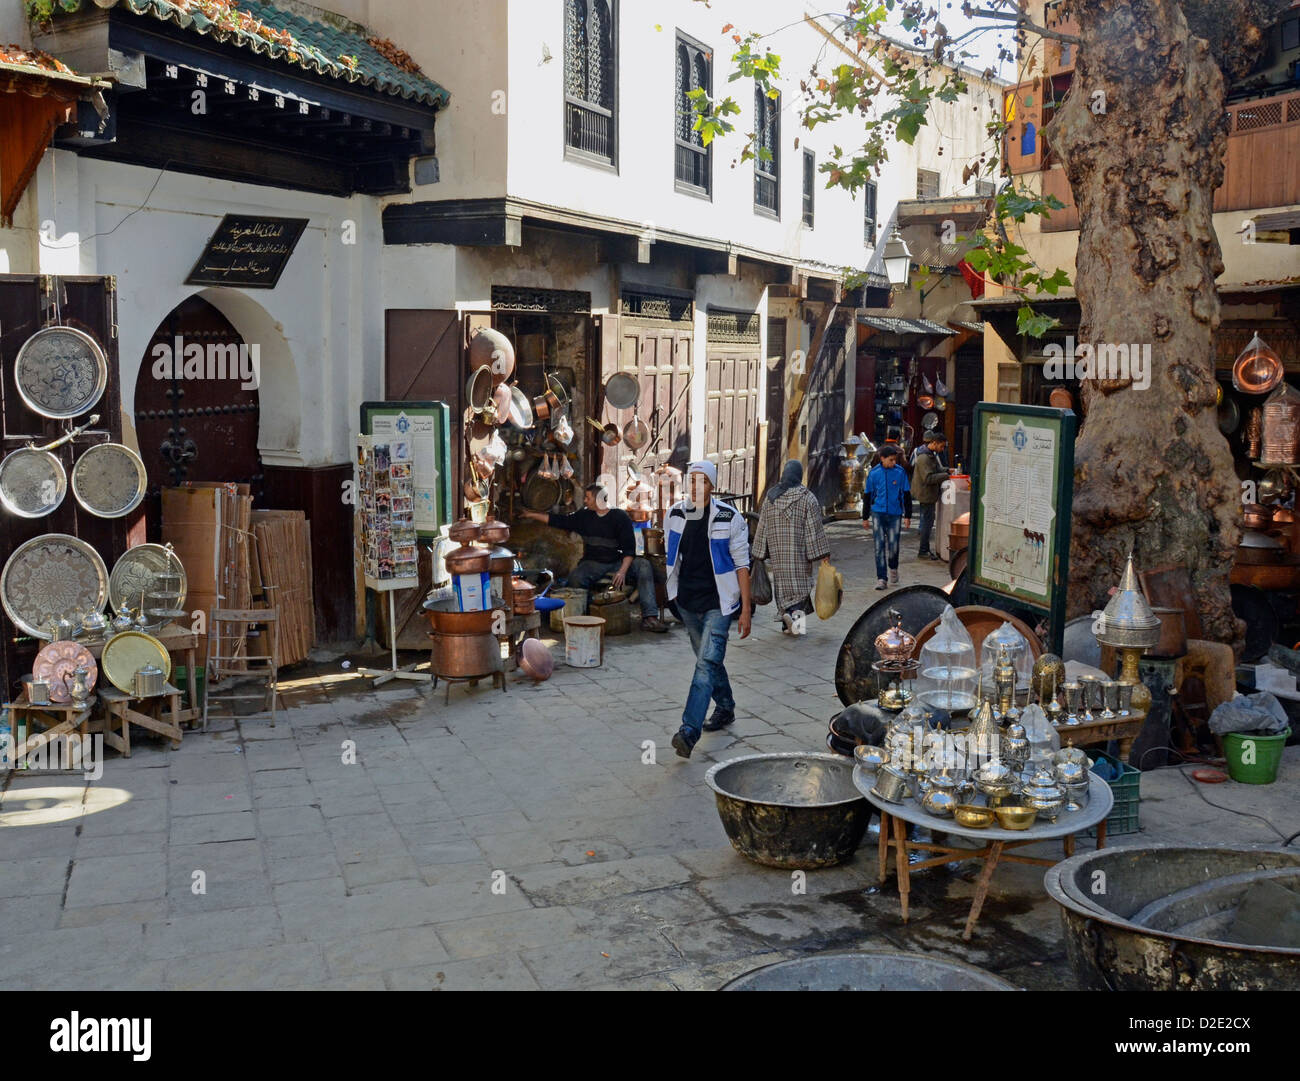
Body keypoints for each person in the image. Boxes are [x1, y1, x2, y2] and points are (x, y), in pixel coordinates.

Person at [664, 460, 752, 758]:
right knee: (709, 659)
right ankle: (725, 707)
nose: (696, 486)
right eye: (692, 480)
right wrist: (673, 595)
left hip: (719, 604)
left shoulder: (730, 517)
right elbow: (672, 555)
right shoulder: (675, 513)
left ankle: (688, 732)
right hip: (687, 602)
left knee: (705, 665)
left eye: (702, 481)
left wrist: (746, 609)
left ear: (712, 486)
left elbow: (742, 565)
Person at [522, 482, 667, 632]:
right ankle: (582, 616)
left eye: (587, 498)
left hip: (617, 562)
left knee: (643, 565)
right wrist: (532, 514)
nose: (585, 501)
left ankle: (650, 618)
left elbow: (629, 550)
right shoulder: (584, 516)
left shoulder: (620, 517)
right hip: (592, 563)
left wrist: (622, 571)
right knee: (575, 579)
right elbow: (559, 520)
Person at [751, 460, 831, 634]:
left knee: (784, 587)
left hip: (777, 553)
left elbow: (762, 526)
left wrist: (758, 552)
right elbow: (814, 529)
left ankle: (788, 623)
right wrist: (822, 552)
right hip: (799, 553)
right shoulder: (807, 497)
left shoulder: (771, 497)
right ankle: (793, 618)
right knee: (800, 588)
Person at [862, 445, 911, 590]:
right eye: (891, 460)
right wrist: (865, 517)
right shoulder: (874, 473)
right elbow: (868, 495)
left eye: (895, 460)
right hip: (878, 513)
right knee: (879, 546)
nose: (893, 463)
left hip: (895, 514)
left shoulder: (900, 472)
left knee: (893, 545)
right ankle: (882, 578)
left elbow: (906, 494)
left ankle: (893, 567)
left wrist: (907, 515)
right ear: (882, 459)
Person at [912, 430, 950, 561]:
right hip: (925, 494)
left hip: (929, 494)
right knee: (927, 524)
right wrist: (946, 475)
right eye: (941, 446)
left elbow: (936, 470)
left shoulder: (930, 455)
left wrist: (946, 470)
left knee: (928, 522)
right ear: (934, 443)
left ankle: (925, 549)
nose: (942, 449)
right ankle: (923, 550)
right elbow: (928, 478)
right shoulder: (924, 457)